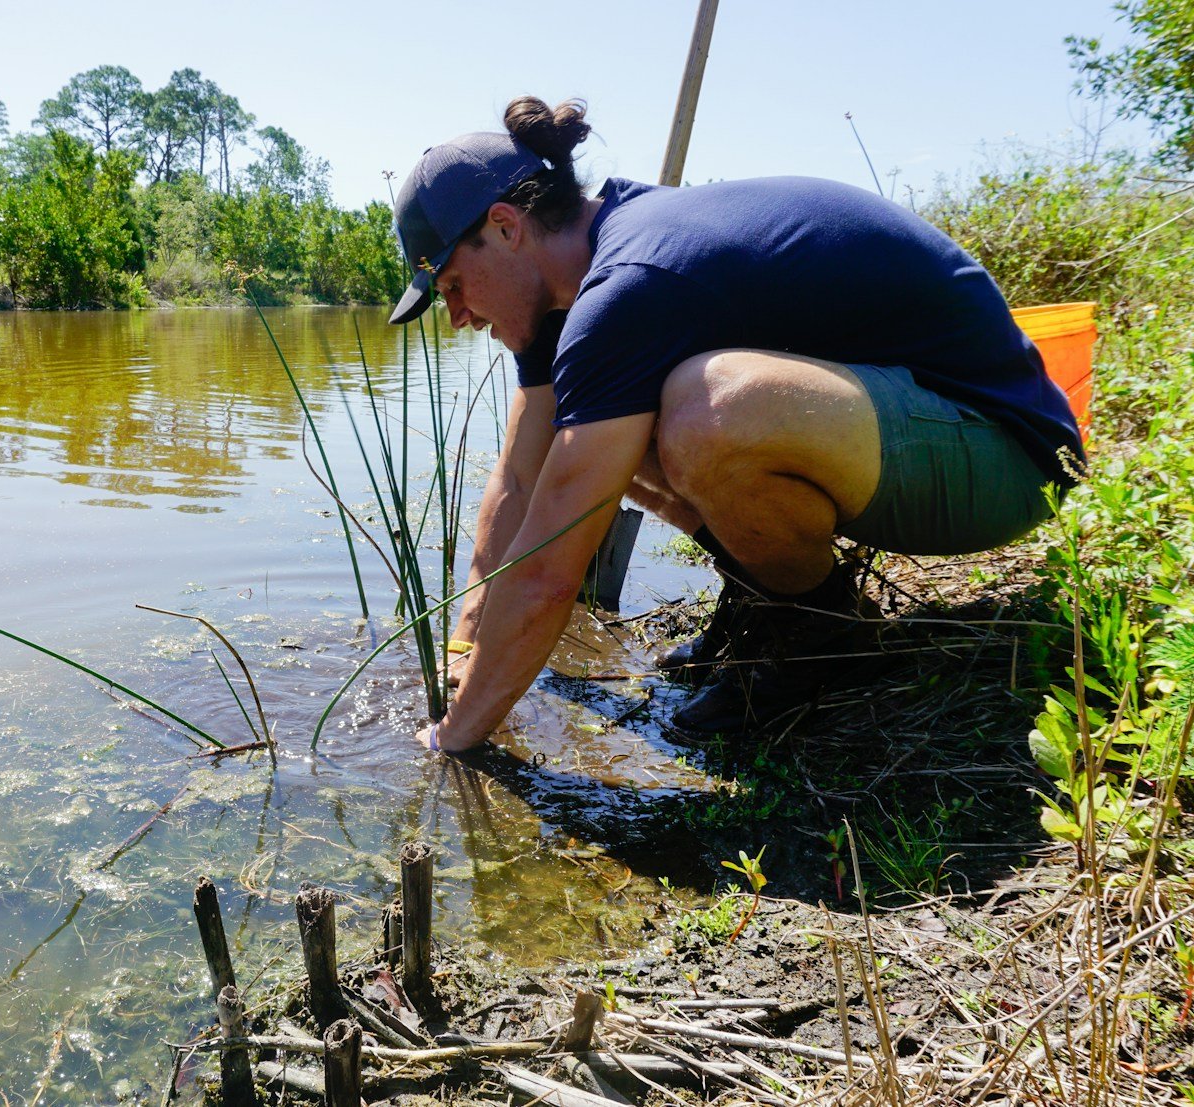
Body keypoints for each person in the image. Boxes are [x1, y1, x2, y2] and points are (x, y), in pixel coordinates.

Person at [388, 97, 1083, 752]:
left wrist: (455, 735)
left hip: (1006, 455)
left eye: (451, 286)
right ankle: (771, 596)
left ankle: (814, 628)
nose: (458, 317)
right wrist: (466, 642)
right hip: (896, 430)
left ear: (507, 226)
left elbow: (547, 573)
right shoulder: (564, 294)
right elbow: (520, 475)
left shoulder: (628, 281)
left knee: (701, 409)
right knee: (605, 437)